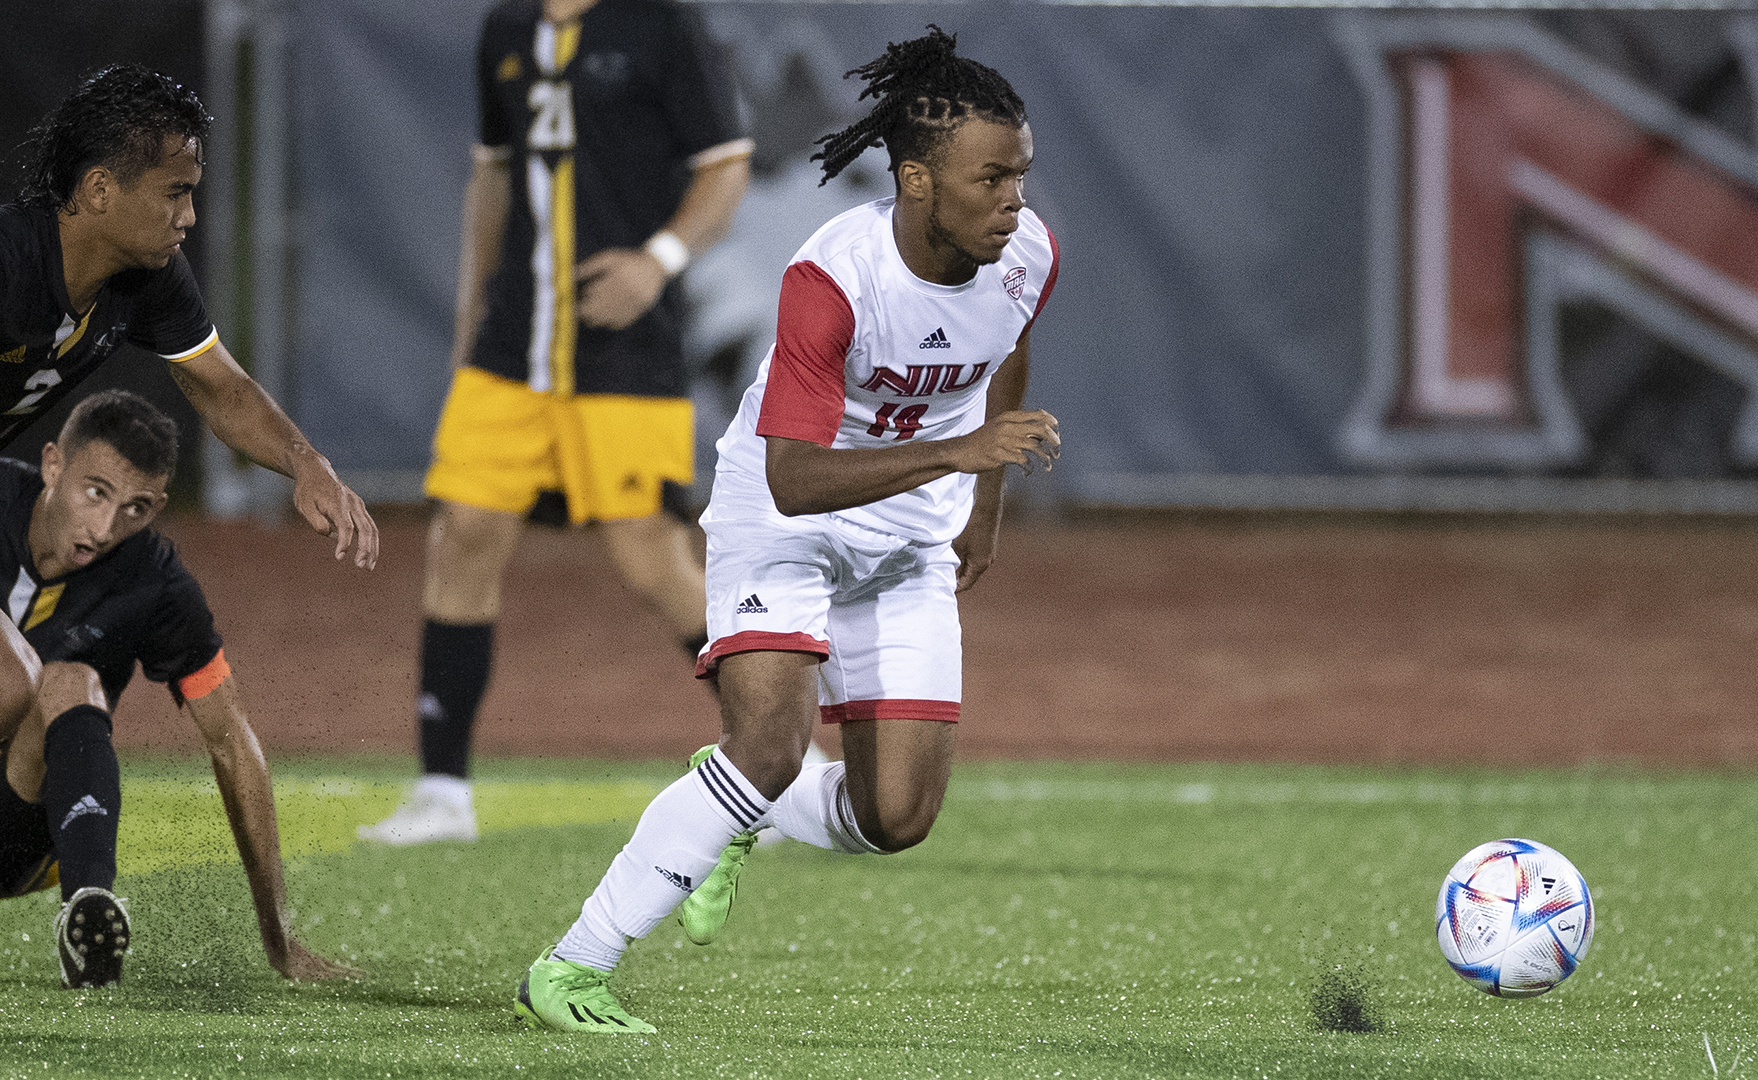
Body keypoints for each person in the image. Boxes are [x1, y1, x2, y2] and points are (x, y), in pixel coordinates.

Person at [513, 26, 1061, 1033]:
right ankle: (573, 966)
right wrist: (957, 459)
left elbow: (1005, 353)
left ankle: (737, 811)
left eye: (1022, 174)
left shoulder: (1026, 252)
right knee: (767, 741)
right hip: (786, 517)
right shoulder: (833, 281)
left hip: (911, 538)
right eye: (991, 179)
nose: (1015, 200)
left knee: (895, 818)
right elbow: (796, 477)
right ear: (916, 180)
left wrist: (980, 512)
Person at [358, 0, 755, 846]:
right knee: (461, 534)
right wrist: (469, 331)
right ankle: (442, 791)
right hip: (511, 349)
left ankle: (774, 758)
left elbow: (726, 167)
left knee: (651, 556)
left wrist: (659, 260)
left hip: (625, 343)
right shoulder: (506, 30)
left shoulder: (661, 22)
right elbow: (493, 179)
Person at [0, 390, 355, 987]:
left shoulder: (156, 585)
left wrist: (279, 936)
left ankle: (87, 919)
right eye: (97, 493)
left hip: (18, 827)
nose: (108, 527)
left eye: (137, 508)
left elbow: (232, 743)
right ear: (54, 465)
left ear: (159, 506)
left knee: (70, 680)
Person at [0, 63, 379, 568]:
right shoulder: (10, 263)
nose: (190, 215)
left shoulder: (151, 274)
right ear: (99, 190)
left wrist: (307, 462)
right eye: (174, 192)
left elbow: (224, 391)